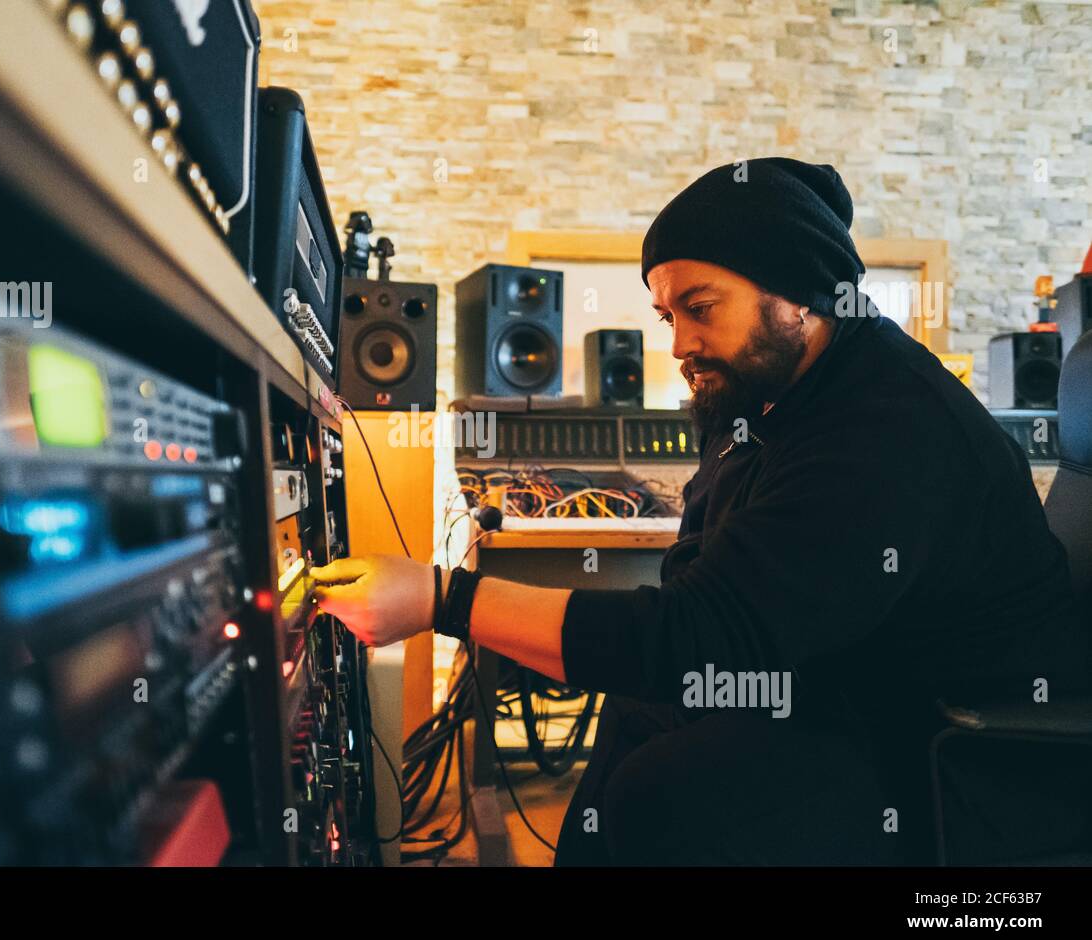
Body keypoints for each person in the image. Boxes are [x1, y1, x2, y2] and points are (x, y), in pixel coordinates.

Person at [310, 158, 1089, 865]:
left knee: (669, 788)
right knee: (640, 716)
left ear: (801, 294)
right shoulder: (775, 399)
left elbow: (702, 642)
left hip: (955, 748)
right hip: (855, 682)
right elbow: (697, 602)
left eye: (701, 306)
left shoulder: (888, 425)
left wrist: (441, 599)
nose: (680, 341)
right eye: (667, 315)